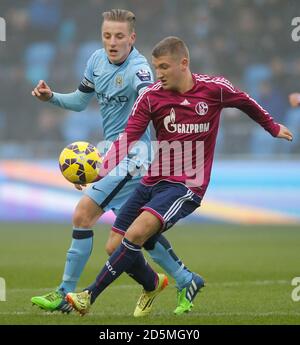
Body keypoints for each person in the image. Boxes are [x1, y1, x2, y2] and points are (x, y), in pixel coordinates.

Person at [64, 36, 293, 316]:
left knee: (136, 234)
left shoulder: (214, 89)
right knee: (114, 246)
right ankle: (177, 281)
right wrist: (99, 172)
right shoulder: (150, 97)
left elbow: (245, 101)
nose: (157, 74)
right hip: (152, 180)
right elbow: (128, 139)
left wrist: (271, 127)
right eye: (155, 67)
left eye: (163, 67)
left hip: (187, 184)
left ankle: (88, 296)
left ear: (183, 64)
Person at [30, 11, 202, 316]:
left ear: (131, 38)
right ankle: (178, 279)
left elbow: (150, 101)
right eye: (107, 35)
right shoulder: (96, 61)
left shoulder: (139, 72)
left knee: (83, 214)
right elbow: (81, 101)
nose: (112, 42)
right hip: (114, 154)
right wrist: (51, 97)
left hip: (134, 158)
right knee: (121, 243)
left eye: (119, 36)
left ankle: (65, 292)